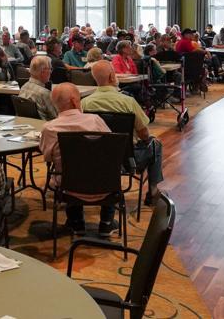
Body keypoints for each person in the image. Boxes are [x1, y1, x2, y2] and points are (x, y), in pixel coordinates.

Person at [39, 83, 116, 236]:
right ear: (75, 101)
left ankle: (77, 224)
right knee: (100, 168)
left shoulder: (49, 128)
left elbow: (47, 157)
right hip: (105, 186)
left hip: (69, 189)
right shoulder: (96, 120)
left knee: (66, 172)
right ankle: (106, 223)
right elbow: (112, 149)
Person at [81, 61, 163, 203]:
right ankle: (153, 191)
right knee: (156, 144)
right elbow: (144, 134)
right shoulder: (128, 102)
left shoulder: (84, 103)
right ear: (112, 77)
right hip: (127, 159)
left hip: (96, 156)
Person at [18, 56, 57, 120]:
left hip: (28, 123)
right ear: (42, 72)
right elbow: (55, 117)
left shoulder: (24, 87)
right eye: (50, 69)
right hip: (44, 126)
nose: (50, 72)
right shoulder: (45, 93)